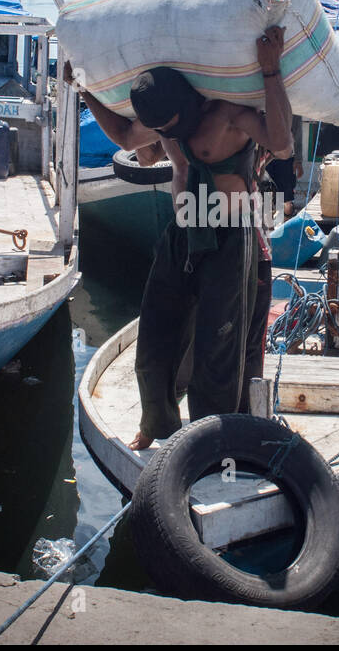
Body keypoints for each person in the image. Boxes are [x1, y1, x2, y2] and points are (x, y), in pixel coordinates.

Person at [72, 27, 294, 450]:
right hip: (183, 232)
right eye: (158, 129)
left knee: (219, 343)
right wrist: (84, 87)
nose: (163, 134)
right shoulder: (162, 121)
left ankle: (209, 442)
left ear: (189, 105)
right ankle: (157, 423)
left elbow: (282, 144)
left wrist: (270, 70)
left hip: (230, 234)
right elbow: (122, 135)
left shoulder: (228, 114)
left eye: (168, 127)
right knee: (155, 335)